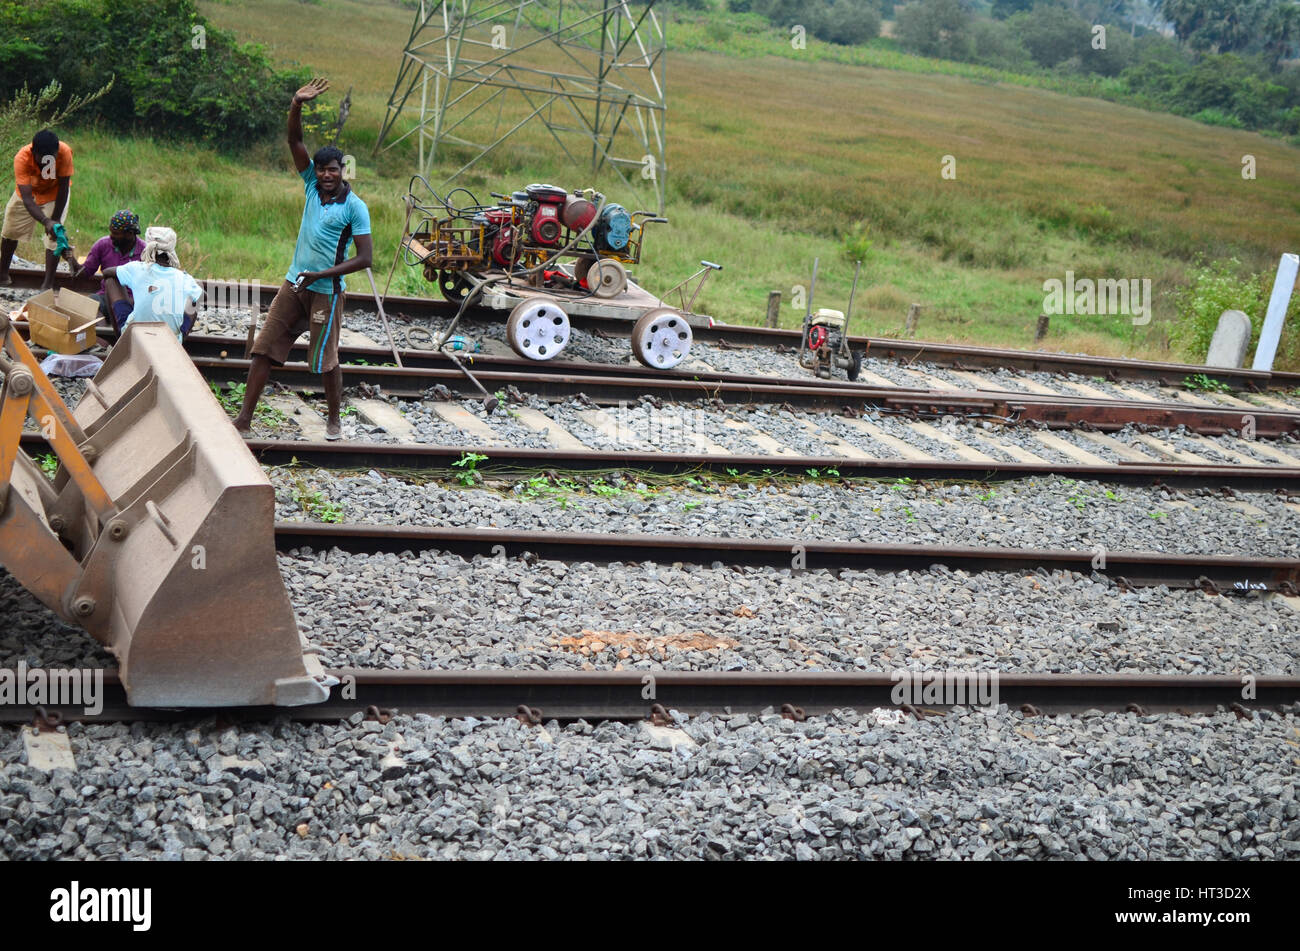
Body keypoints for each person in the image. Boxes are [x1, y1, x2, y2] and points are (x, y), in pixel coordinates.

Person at [233, 77, 372, 440]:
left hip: (326, 290)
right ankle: (244, 420)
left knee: (325, 361)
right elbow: (294, 141)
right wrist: (296, 104)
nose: (326, 175)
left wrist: (322, 273)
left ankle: (334, 420)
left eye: (333, 170)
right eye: (322, 169)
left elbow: (366, 258)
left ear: (343, 171)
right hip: (295, 283)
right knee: (263, 349)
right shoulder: (310, 184)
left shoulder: (355, 208)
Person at [0, 129, 74, 290]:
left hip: (55, 195)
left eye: (52, 157)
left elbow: (63, 188)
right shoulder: (22, 158)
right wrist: (45, 220)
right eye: (43, 159)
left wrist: (54, 220)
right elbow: (27, 199)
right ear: (34, 152)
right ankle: (3, 275)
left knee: (54, 236)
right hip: (28, 194)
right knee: (9, 231)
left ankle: (47, 285)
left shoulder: (65, 152)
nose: (48, 161)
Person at [101, 226, 202, 342]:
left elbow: (106, 272)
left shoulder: (137, 268)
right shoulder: (184, 278)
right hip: (171, 342)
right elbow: (200, 295)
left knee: (110, 280)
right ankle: (180, 339)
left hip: (134, 339)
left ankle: (120, 338)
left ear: (148, 245)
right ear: (172, 247)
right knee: (195, 298)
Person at [77, 210, 145, 321]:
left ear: (129, 234)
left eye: (116, 233)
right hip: (106, 298)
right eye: (111, 232)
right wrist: (71, 260)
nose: (111, 236)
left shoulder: (145, 251)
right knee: (90, 304)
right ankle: (103, 332)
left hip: (133, 301)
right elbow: (85, 273)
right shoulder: (102, 245)